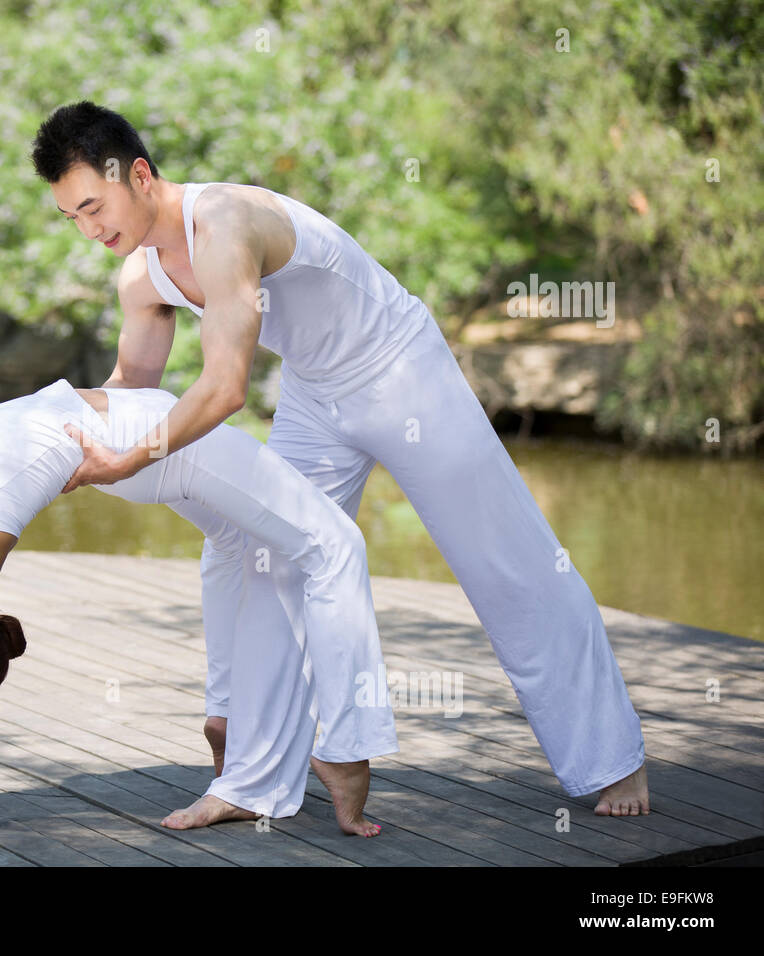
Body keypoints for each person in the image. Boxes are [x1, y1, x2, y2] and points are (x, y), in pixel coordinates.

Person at [32, 100, 650, 817]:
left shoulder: (225, 221)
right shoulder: (141, 279)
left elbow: (225, 388)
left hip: (400, 373)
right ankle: (251, 782)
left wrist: (125, 462)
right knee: (274, 559)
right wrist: (49, 431)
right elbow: (131, 392)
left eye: (92, 206)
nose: (89, 229)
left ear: (137, 175)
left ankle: (612, 761)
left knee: (511, 564)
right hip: (313, 394)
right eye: (71, 218)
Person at [0, 378, 394, 863]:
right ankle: (231, 722)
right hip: (117, 448)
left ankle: (342, 745)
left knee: (333, 544)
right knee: (253, 544)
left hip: (146, 440)